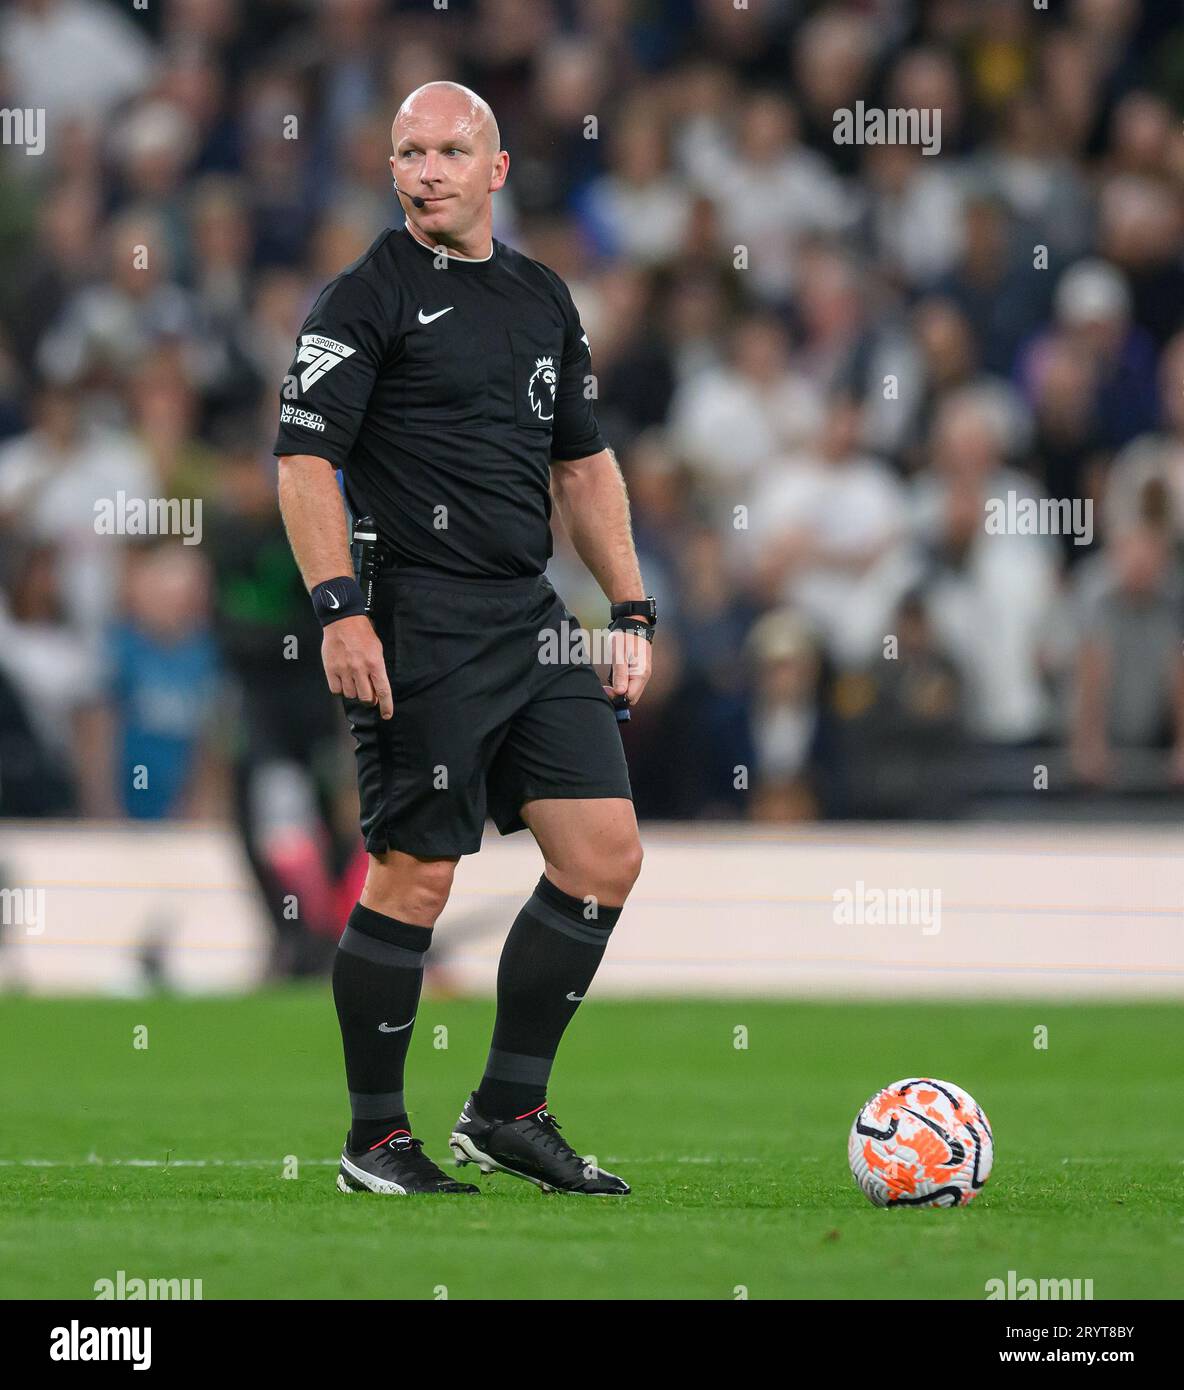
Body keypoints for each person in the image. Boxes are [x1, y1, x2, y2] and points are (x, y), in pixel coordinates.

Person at [274, 82, 654, 1197]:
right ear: (389, 170)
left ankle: (506, 1108)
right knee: (415, 874)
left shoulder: (541, 297)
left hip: (526, 613)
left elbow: (579, 466)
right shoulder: (362, 298)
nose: (426, 168)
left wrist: (628, 608)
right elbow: (302, 464)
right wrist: (339, 607)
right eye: (407, 151)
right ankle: (374, 1139)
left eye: (450, 149)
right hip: (414, 615)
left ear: (495, 169)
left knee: (603, 855)